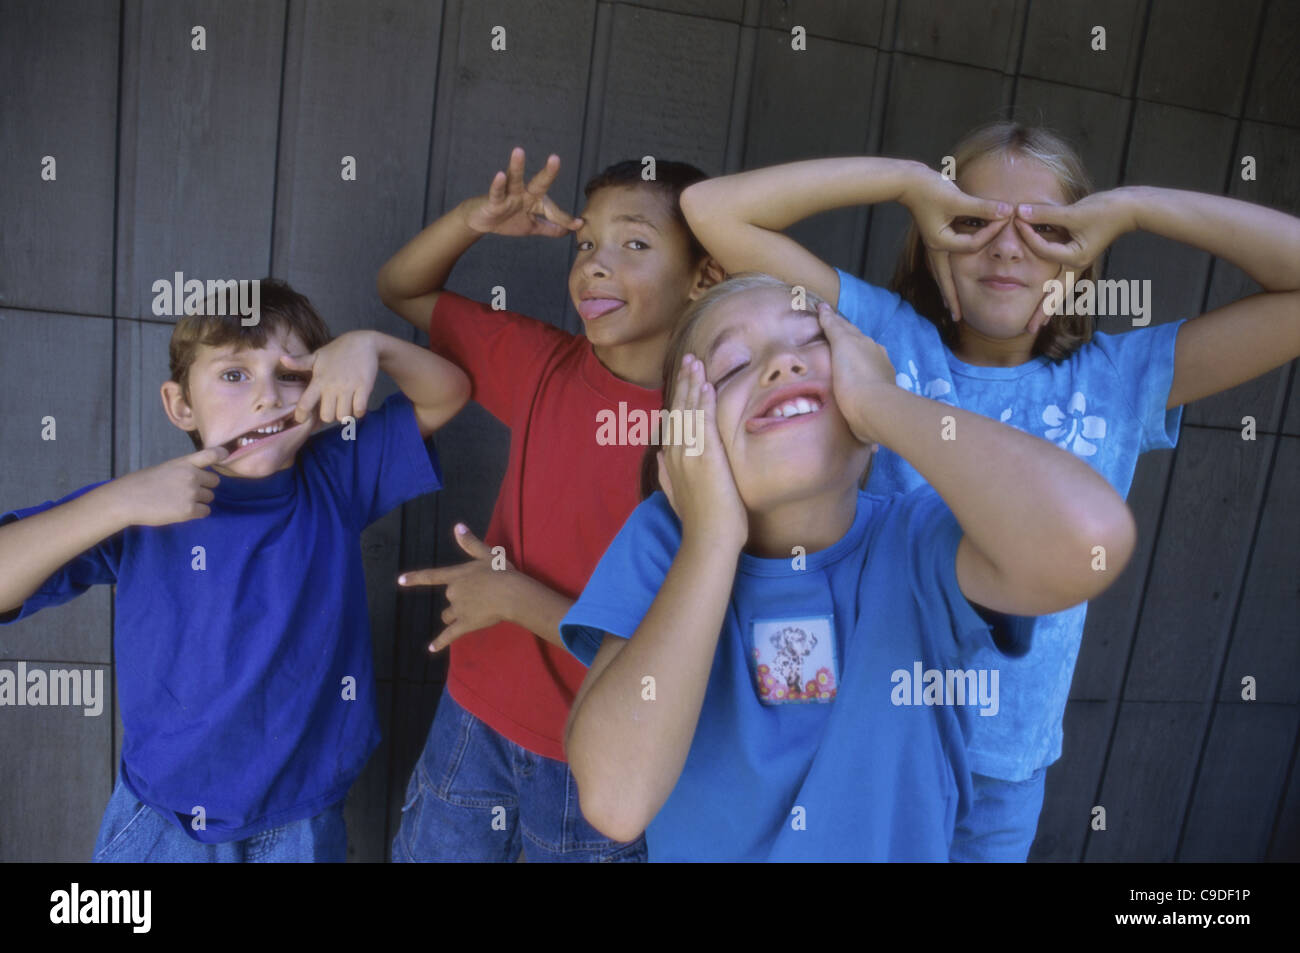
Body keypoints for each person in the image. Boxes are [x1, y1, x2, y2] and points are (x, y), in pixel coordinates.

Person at [678, 121, 1300, 860]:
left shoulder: (1120, 380)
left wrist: (1133, 206)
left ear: (1086, 253)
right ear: (931, 237)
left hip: (1006, 775)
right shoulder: (879, 338)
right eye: (971, 220)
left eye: (1048, 230)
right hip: (865, 743)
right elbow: (712, 212)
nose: (1007, 247)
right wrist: (908, 181)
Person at [560, 274, 1137, 861]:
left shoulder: (918, 544)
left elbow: (1092, 538)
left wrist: (886, 404)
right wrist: (711, 539)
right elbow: (614, 799)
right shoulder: (666, 543)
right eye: (732, 367)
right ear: (685, 445)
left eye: (815, 342)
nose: (782, 363)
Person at [0, 279, 469, 861]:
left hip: (301, 825)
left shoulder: (335, 478)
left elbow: (447, 393)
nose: (267, 397)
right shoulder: (141, 504)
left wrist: (373, 346)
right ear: (180, 405)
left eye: (290, 374)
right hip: (163, 825)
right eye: (234, 374)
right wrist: (116, 502)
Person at [378, 148, 721, 861]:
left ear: (704, 277)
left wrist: (511, 595)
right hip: (474, 715)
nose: (595, 263)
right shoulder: (539, 364)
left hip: (599, 754)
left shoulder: (711, 429)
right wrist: (477, 220)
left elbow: (670, 644)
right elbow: (400, 289)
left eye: (633, 243)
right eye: (587, 242)